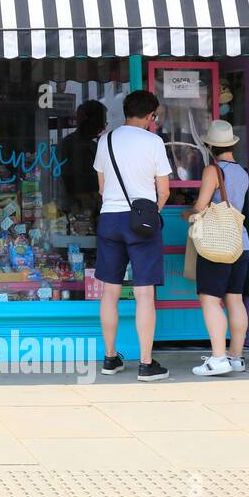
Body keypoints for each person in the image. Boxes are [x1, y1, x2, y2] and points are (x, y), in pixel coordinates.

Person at [93, 89, 172, 381]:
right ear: (151, 116)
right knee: (144, 293)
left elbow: (101, 188)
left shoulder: (106, 140)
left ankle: (110, 358)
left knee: (110, 292)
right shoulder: (154, 142)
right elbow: (163, 190)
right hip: (141, 222)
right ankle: (146, 363)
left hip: (109, 220)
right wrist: (152, 212)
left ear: (126, 112)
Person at [182, 120, 249, 377]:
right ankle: (236, 356)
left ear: (210, 146)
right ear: (231, 144)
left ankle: (218, 358)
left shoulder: (213, 170)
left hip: (217, 244)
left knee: (210, 300)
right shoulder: (242, 172)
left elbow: (201, 207)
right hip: (241, 243)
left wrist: (187, 214)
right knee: (235, 299)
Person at [57, 100, 108, 223]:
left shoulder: (94, 146)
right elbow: (67, 179)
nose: (103, 127)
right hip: (77, 209)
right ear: (88, 121)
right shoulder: (69, 145)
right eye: (101, 123)